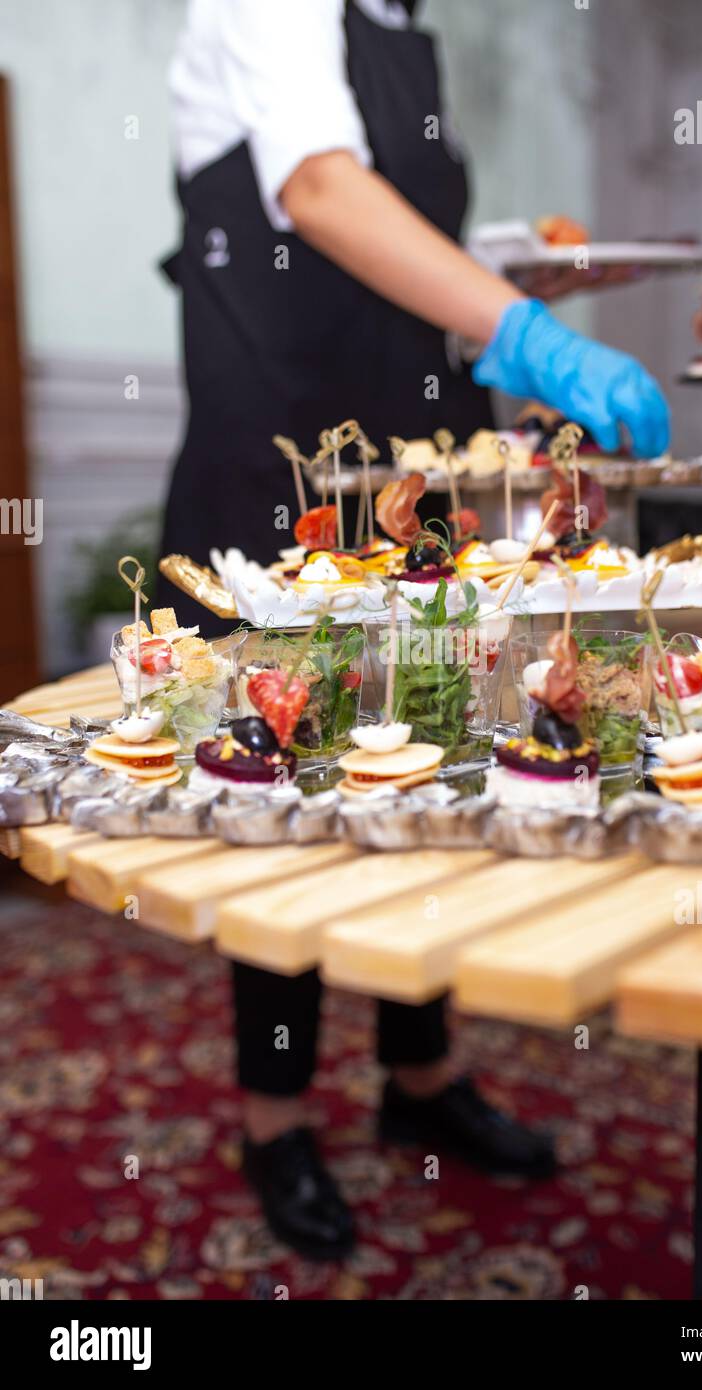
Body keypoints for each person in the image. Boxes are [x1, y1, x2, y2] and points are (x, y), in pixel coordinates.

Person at [157, 0, 670, 1261]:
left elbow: (392, 228)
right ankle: (275, 1117)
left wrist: (503, 274)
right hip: (279, 479)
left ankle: (420, 1081)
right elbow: (323, 191)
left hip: (411, 477)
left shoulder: (403, 27)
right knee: (282, 797)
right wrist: (524, 331)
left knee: (426, 755)